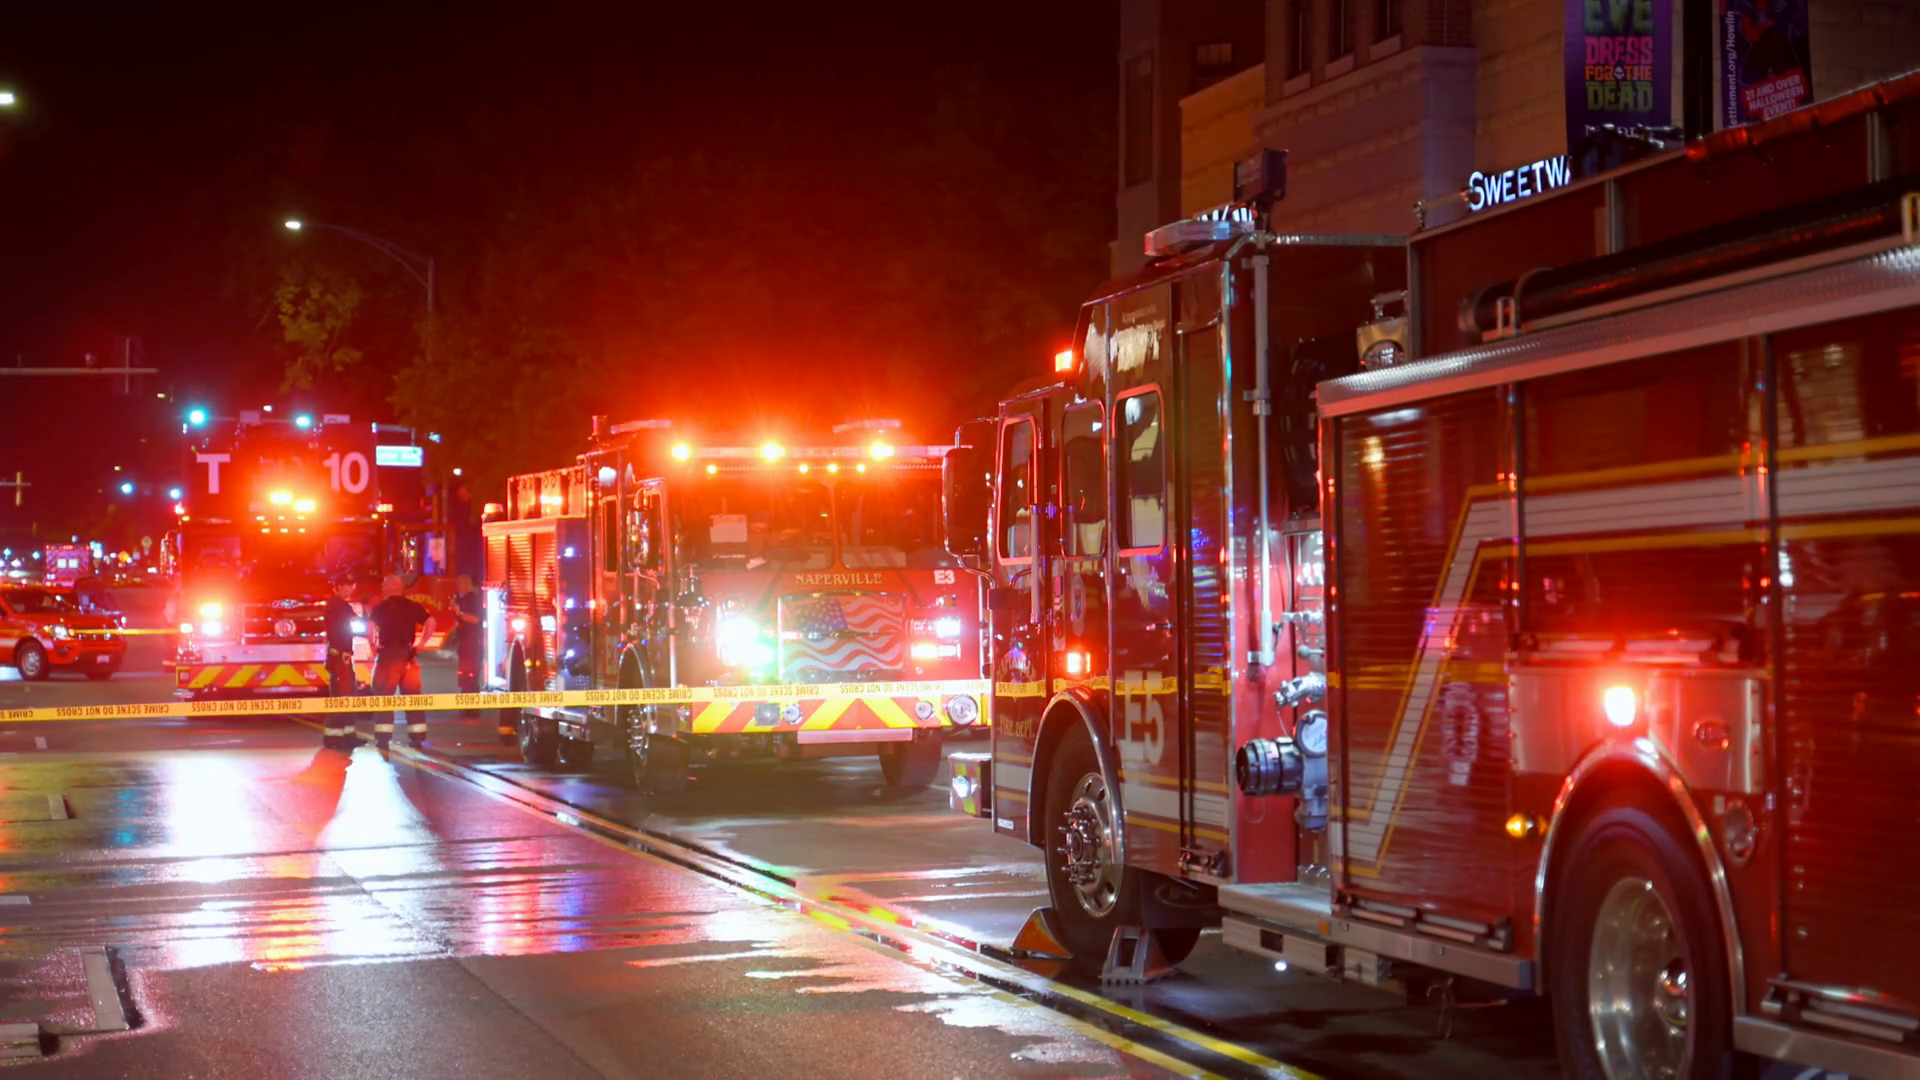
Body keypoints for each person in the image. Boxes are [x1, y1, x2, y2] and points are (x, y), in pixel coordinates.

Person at [367, 574, 435, 750]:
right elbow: (432, 623)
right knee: (413, 698)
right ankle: (417, 736)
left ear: (389, 588)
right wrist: (420, 645)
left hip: (388, 656)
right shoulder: (412, 606)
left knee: (383, 697)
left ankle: (383, 738)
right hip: (409, 656)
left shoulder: (380, 608)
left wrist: (373, 646)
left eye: (384, 585)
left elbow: (370, 628)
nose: (382, 588)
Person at [320, 576, 362, 750]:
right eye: (349, 585)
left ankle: (347, 735)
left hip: (339, 655)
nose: (352, 588)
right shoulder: (340, 606)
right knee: (342, 697)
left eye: (353, 584)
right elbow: (352, 626)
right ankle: (334, 738)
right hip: (340, 657)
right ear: (339, 586)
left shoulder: (335, 605)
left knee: (346, 695)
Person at [451, 574, 484, 716]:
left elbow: (475, 619)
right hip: (464, 642)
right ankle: (466, 705)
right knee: (464, 674)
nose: (458, 586)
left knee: (471, 675)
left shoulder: (473, 599)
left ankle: (473, 709)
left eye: (460, 584)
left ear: (466, 585)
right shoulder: (460, 598)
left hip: (473, 642)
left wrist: (460, 612)